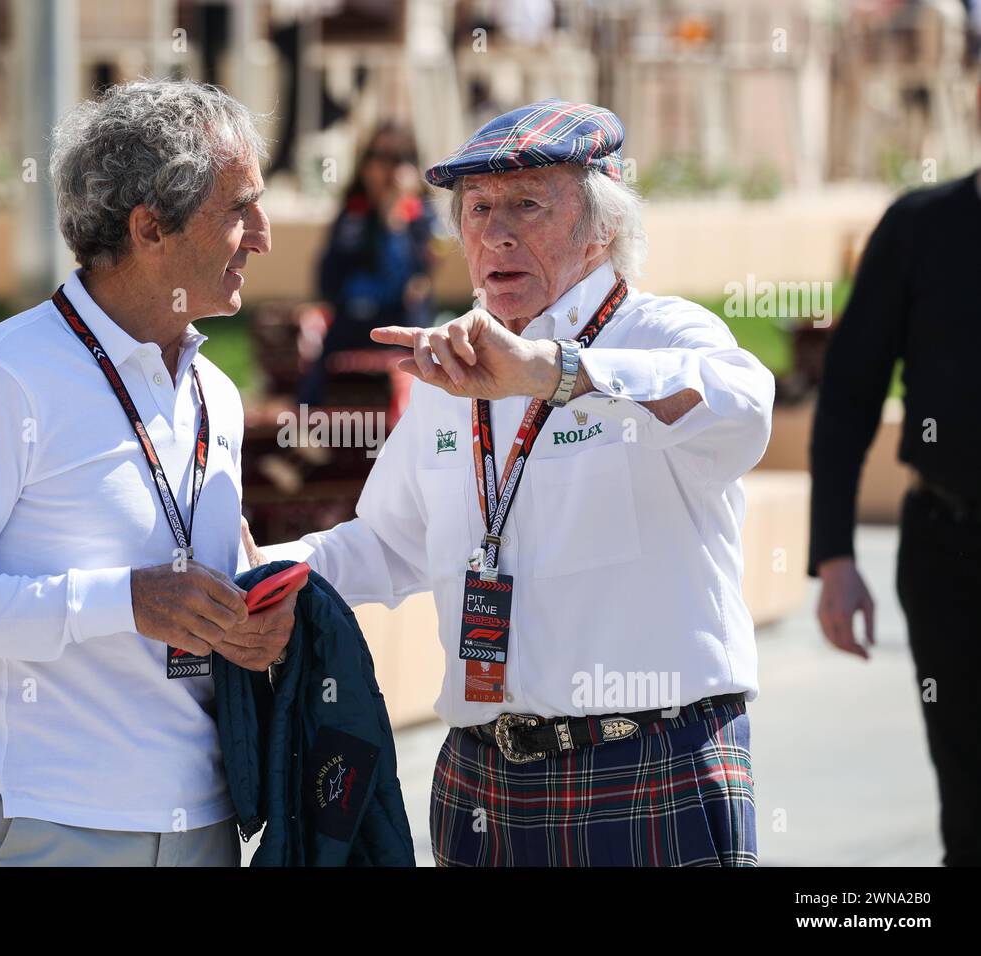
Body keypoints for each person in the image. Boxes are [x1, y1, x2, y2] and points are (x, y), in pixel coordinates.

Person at [254, 99, 775, 866]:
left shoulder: (663, 334)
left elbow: (744, 408)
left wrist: (557, 372)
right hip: (483, 782)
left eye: (527, 204)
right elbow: (389, 544)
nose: (494, 231)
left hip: (649, 763)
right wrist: (260, 573)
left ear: (603, 226)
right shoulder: (450, 368)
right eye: (476, 208)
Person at [0, 80, 294, 867]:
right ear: (150, 229)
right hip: (49, 827)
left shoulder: (215, 393)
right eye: (239, 208)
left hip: (208, 829)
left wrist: (256, 620)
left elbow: (197, 590)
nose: (264, 236)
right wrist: (126, 602)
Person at [810, 167, 981, 867]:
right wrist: (835, 558)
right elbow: (850, 391)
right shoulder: (920, 225)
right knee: (972, 808)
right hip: (953, 552)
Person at [297, 122, 438, 406]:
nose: (389, 169)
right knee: (315, 389)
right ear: (365, 165)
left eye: (399, 158)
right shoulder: (352, 214)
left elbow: (412, 282)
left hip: (402, 330)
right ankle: (308, 438)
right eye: (380, 157)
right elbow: (327, 282)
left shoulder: (421, 217)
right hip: (351, 329)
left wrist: (393, 221)